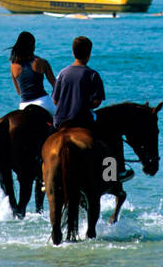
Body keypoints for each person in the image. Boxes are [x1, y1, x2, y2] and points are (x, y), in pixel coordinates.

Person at [51, 35, 132, 182]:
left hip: (60, 121)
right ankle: (114, 174)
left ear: (73, 52)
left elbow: (55, 100)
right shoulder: (92, 75)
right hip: (82, 120)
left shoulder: (62, 73)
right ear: (88, 54)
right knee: (112, 138)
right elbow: (96, 102)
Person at [9, 30, 57, 118]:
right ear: (32, 46)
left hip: (23, 105)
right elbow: (55, 84)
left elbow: (19, 91)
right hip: (43, 102)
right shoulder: (41, 62)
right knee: (60, 121)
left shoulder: (13, 65)